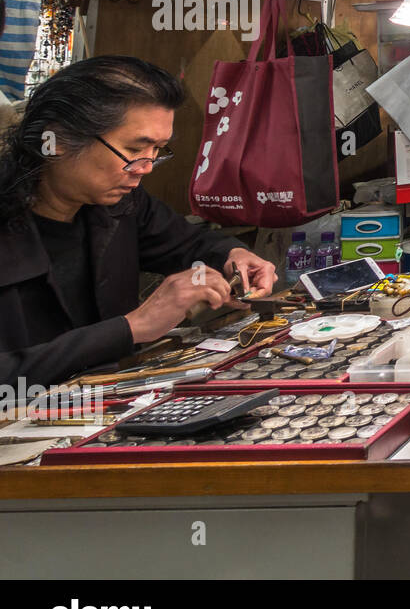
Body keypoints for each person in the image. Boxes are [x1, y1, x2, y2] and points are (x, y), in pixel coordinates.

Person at [0, 56, 278, 387]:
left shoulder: (122, 204)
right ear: (57, 139)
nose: (145, 168)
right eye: (134, 149)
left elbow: (190, 244)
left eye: (157, 151)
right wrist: (132, 327)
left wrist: (233, 256)